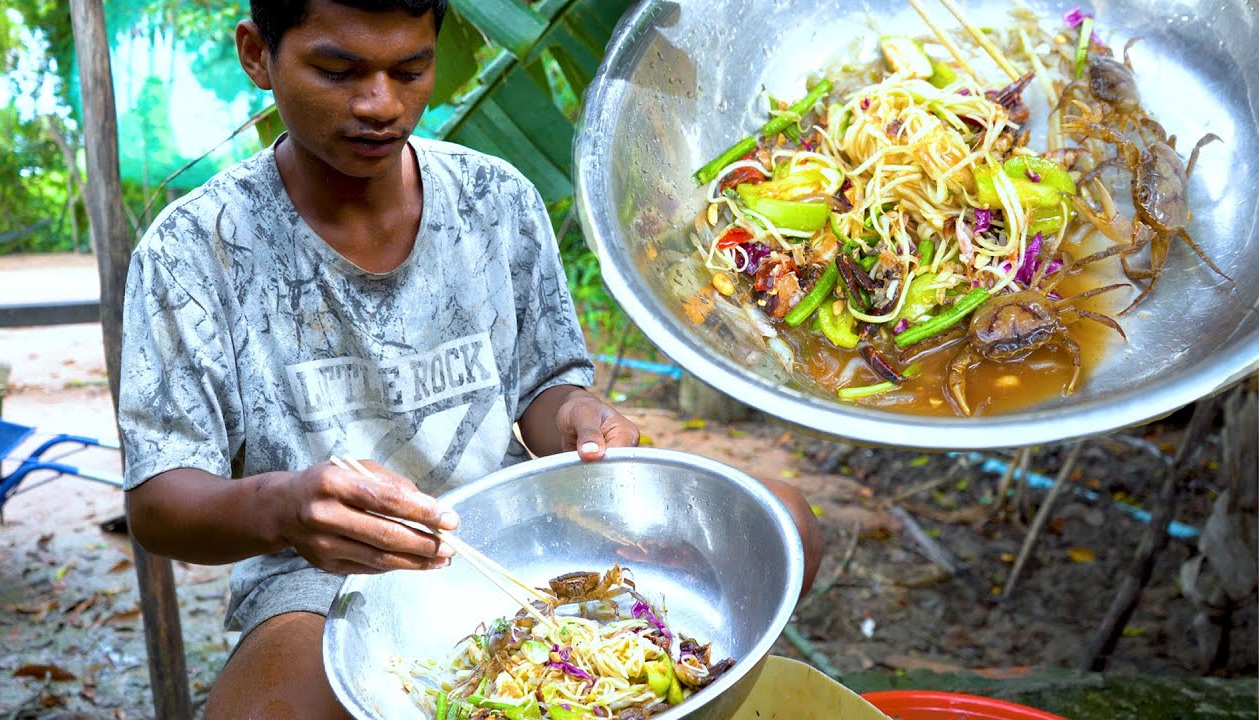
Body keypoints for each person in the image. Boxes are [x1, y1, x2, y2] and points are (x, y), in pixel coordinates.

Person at [118, 1, 824, 717]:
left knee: (784, 519)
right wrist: (286, 506)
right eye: (338, 71)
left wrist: (579, 416)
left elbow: (545, 392)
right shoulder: (195, 250)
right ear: (257, 55)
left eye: (411, 69)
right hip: (325, 575)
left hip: (522, 533)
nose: (380, 104)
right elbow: (159, 505)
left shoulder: (497, 199)